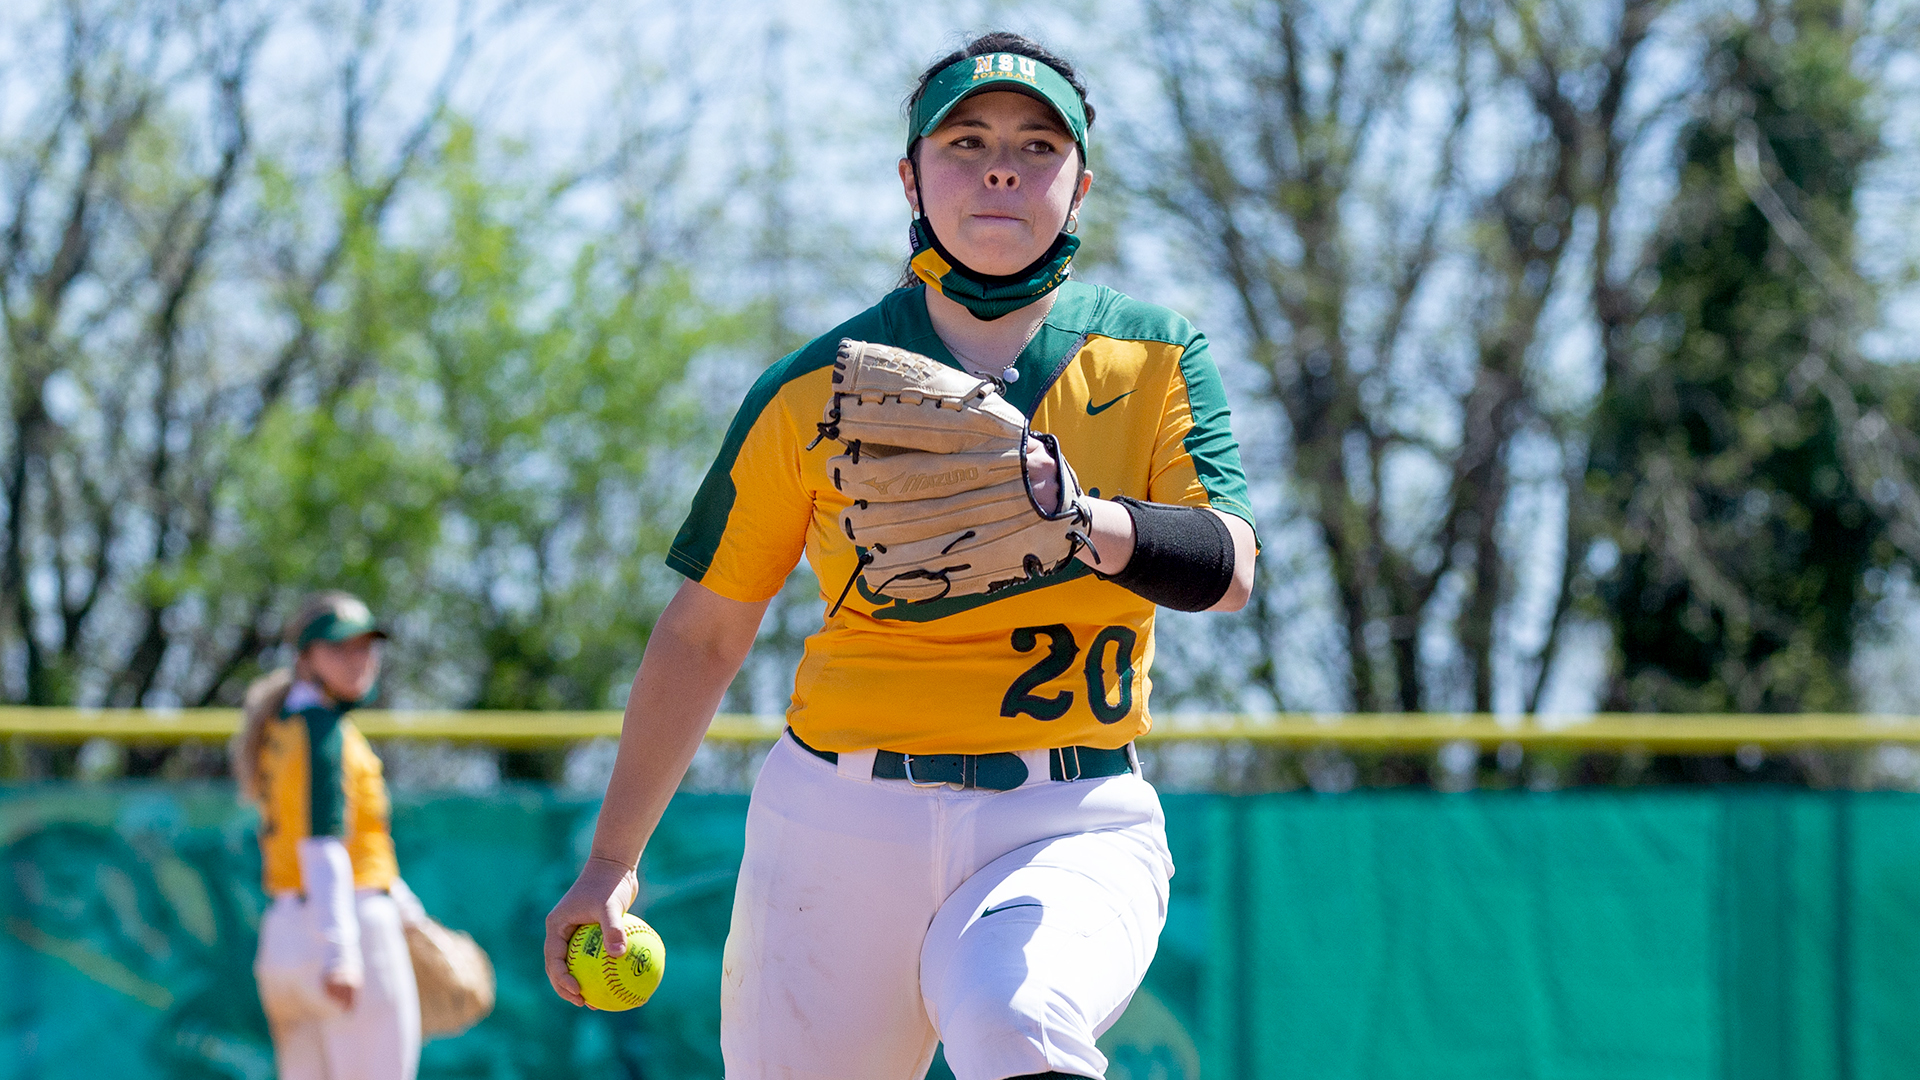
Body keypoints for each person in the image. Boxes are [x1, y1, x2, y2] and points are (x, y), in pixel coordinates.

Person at [544, 31, 1257, 1080]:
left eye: (1037, 144)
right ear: (910, 178)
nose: (1001, 165)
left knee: (1018, 1018)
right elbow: (706, 630)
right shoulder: (817, 387)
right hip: (837, 820)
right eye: (965, 141)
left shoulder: (1154, 358)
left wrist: (1076, 516)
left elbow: (1230, 567)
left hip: (1068, 817)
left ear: (1082, 184)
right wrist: (610, 861)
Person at [232, 591, 425, 1080]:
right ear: (304, 659)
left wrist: (411, 916)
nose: (359, 660)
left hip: (284, 939)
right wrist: (341, 953)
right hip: (347, 929)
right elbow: (322, 847)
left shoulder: (282, 728)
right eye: (340, 648)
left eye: (366, 646)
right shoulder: (322, 732)